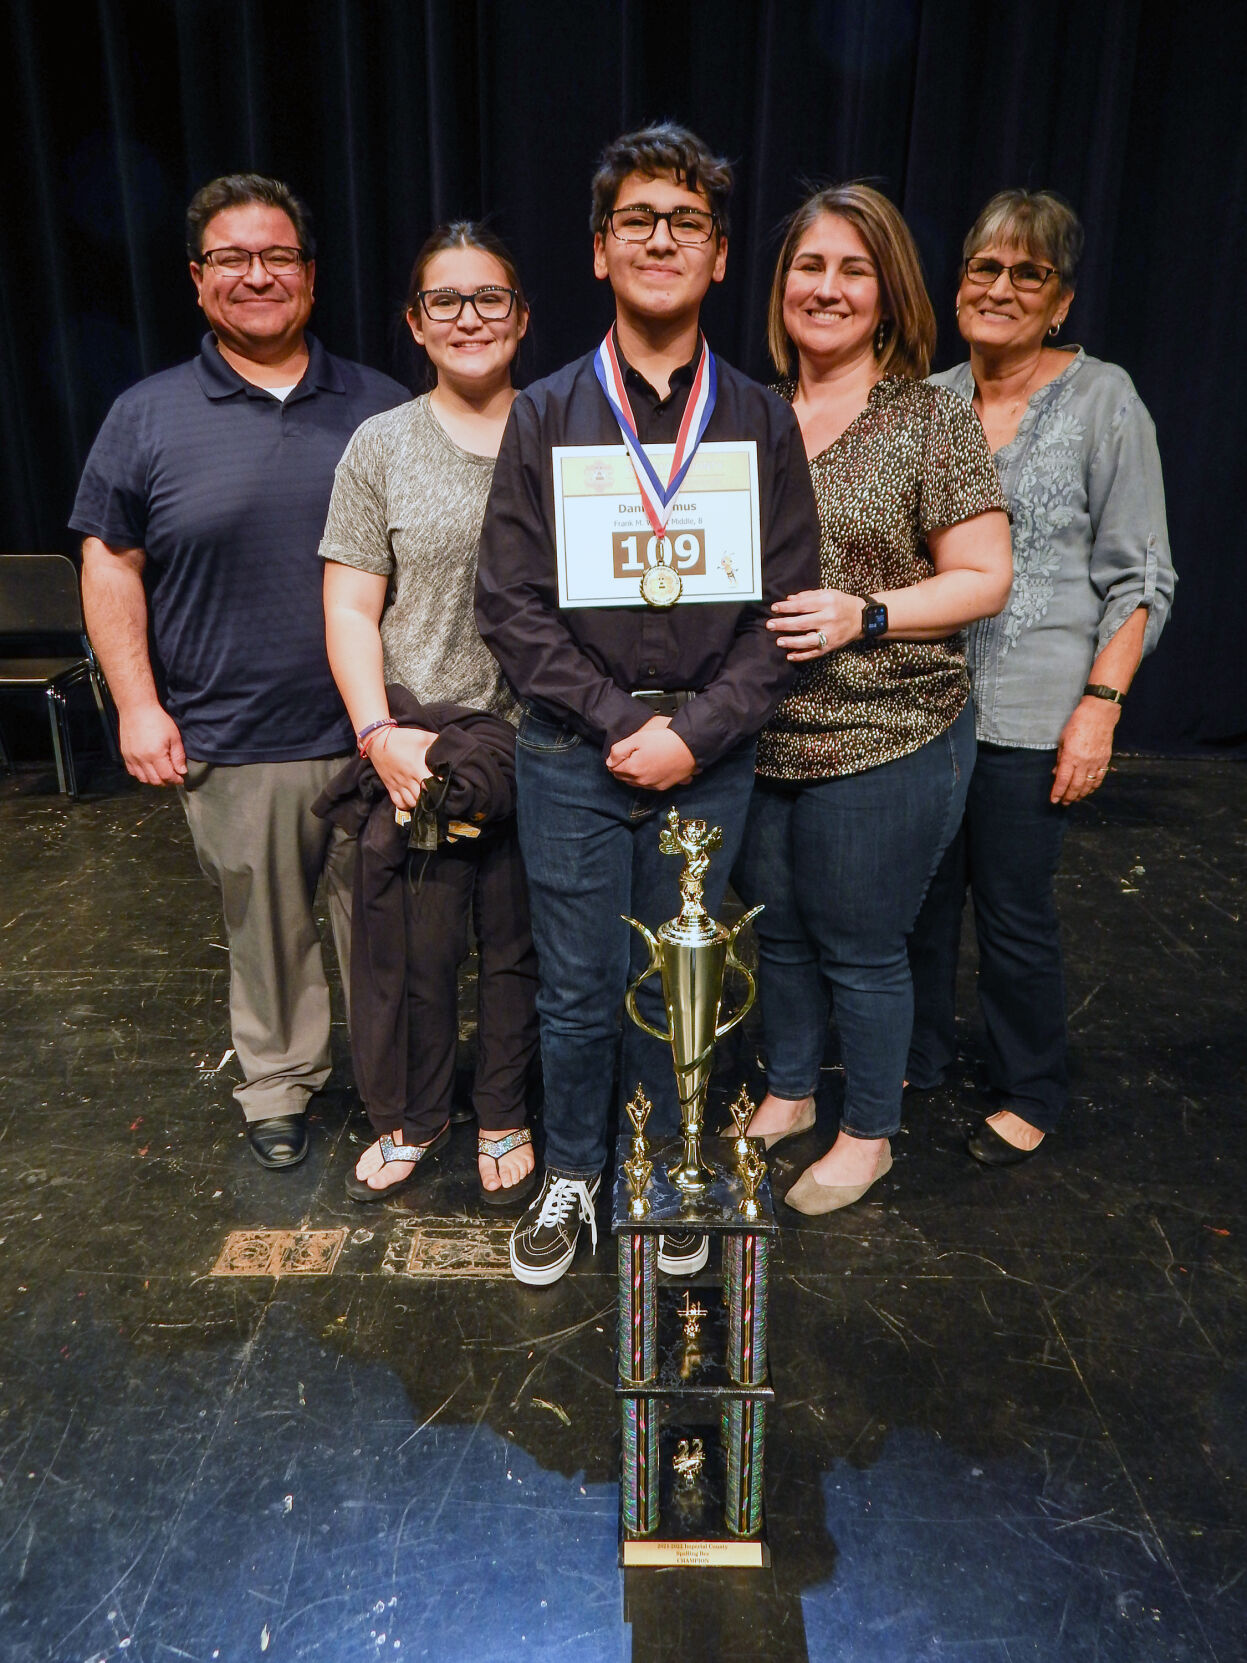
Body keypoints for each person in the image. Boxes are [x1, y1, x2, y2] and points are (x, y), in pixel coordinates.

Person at [475, 123, 821, 1285]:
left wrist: (694, 733)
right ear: (598, 251)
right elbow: (510, 605)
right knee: (574, 987)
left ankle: (660, 1162)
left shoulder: (760, 418)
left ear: (719, 258)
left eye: (684, 223)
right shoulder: (546, 412)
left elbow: (787, 609)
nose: (659, 240)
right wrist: (627, 727)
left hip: (709, 753)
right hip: (574, 748)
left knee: (678, 985)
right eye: (637, 221)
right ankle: (578, 1168)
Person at [72, 173, 408, 1170]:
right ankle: (277, 1083)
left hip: (372, 731)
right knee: (262, 933)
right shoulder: (145, 414)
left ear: (310, 275)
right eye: (232, 259)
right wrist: (135, 703)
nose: (256, 275)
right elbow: (108, 562)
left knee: (387, 938)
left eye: (278, 257)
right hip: (230, 730)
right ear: (196, 278)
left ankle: (400, 1091)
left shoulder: (383, 407)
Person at [731, 184, 1012, 1213]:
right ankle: (795, 1088)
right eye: (809, 266)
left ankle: (868, 1133)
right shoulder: (744, 415)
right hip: (760, 733)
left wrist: (868, 614)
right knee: (782, 933)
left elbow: (983, 576)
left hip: (889, 728)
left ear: (887, 296)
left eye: (853, 270)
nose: (827, 287)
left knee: (858, 941)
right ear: (780, 287)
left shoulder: (927, 414)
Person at [906, 190, 1175, 1164]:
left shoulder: (1103, 398)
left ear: (1059, 300)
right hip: (920, 714)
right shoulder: (925, 404)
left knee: (1012, 914)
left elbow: (1140, 572)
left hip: (1031, 717)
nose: (1001, 288)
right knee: (919, 906)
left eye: (1028, 273)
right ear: (958, 283)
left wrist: (1098, 709)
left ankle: (1030, 1085)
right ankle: (917, 1055)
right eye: (984, 267)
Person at [320, 223, 538, 1207]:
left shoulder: (565, 429)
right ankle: (413, 1114)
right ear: (415, 322)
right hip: (422, 748)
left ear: (522, 316)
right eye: (443, 301)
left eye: (487, 297)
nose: (467, 318)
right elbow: (350, 605)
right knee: (413, 951)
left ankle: (503, 1111)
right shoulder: (381, 444)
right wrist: (378, 732)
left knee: (519, 948)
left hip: (543, 747)